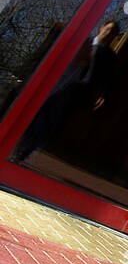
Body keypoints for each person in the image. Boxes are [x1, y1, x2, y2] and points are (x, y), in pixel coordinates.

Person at [10, 19, 119, 164]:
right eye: (108, 28)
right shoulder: (81, 41)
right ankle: (11, 145)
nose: (109, 32)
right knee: (28, 114)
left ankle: (21, 154)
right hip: (53, 83)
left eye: (113, 32)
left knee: (47, 125)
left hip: (72, 92)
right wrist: (23, 72)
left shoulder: (109, 56)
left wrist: (103, 94)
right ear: (101, 28)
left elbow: (107, 78)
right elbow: (46, 54)